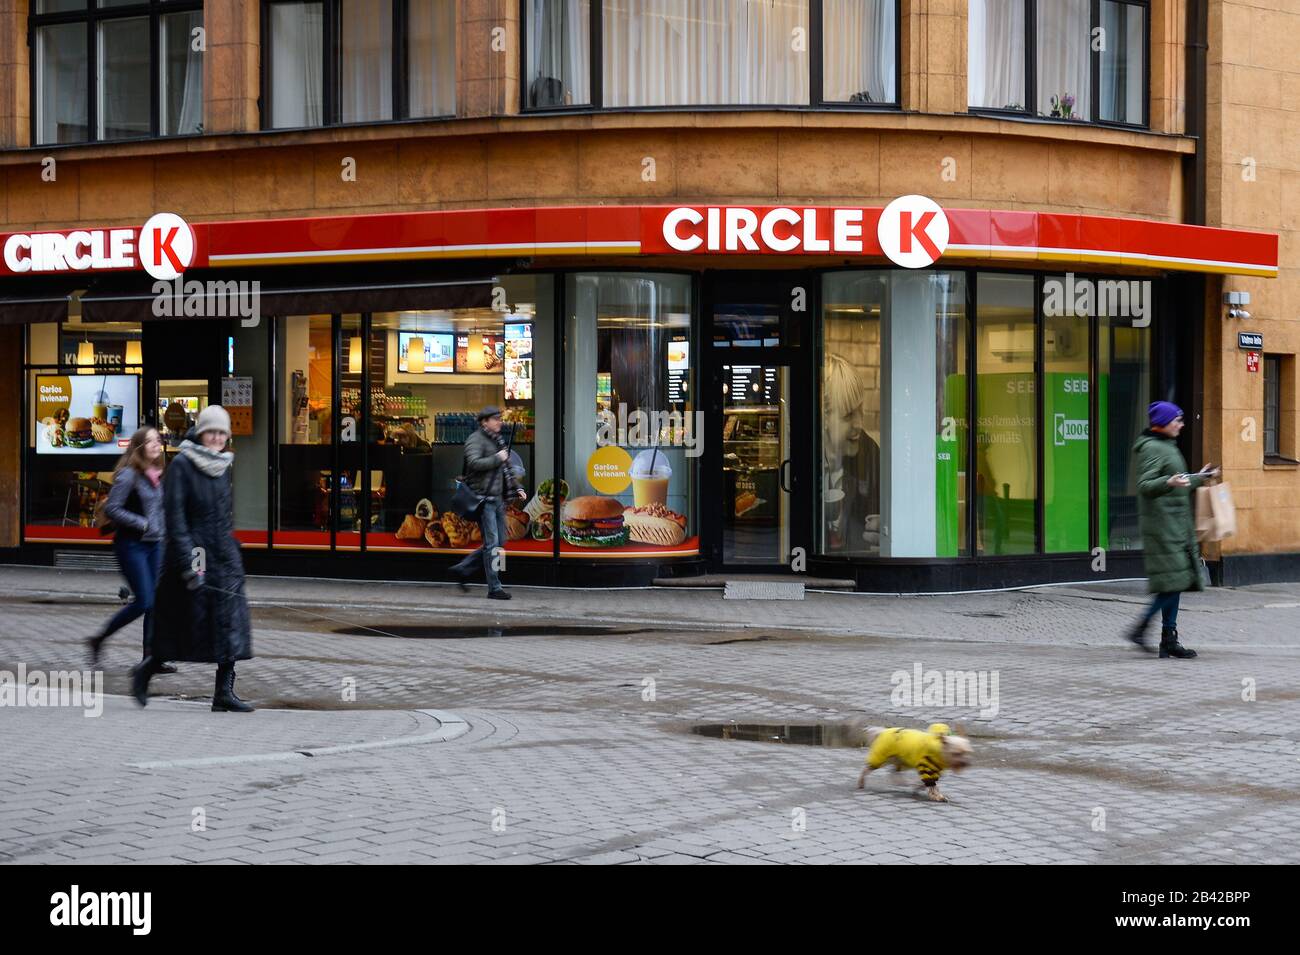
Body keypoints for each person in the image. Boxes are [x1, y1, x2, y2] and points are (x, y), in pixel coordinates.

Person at [134, 406, 255, 711]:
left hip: (222, 554)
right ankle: (147, 668)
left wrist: (231, 549)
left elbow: (222, 515)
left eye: (221, 432)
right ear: (200, 432)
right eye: (211, 431)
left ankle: (224, 693)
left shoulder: (223, 464)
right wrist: (192, 564)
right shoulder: (183, 466)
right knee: (185, 621)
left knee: (230, 620)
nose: (216, 438)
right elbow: (175, 519)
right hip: (194, 552)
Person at [1125, 401, 1218, 658]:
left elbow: (1180, 482)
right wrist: (1168, 481)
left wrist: (1201, 477)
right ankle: (1141, 628)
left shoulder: (1166, 446)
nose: (1181, 424)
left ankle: (1168, 639)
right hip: (1163, 527)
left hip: (1175, 525)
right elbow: (1145, 485)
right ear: (1163, 423)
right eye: (1177, 420)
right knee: (1174, 582)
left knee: (1175, 582)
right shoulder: (1152, 448)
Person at [87, 427, 173, 673]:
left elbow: (160, 510)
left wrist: (166, 532)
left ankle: (150, 659)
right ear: (138, 447)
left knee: (155, 603)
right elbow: (113, 509)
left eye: (159, 439)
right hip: (131, 545)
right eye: (151, 441)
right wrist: (142, 523)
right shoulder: (128, 475)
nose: (157, 444)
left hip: (155, 544)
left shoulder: (157, 474)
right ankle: (99, 639)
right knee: (145, 600)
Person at [449, 406, 526, 600]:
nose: (500, 422)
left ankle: (463, 569)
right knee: (493, 545)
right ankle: (494, 587)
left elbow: (506, 469)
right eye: (495, 419)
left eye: (500, 418)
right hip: (484, 500)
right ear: (484, 422)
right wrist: (496, 458)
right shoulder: (476, 439)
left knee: (500, 543)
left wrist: (517, 488)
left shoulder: (496, 440)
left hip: (497, 500)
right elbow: (474, 462)